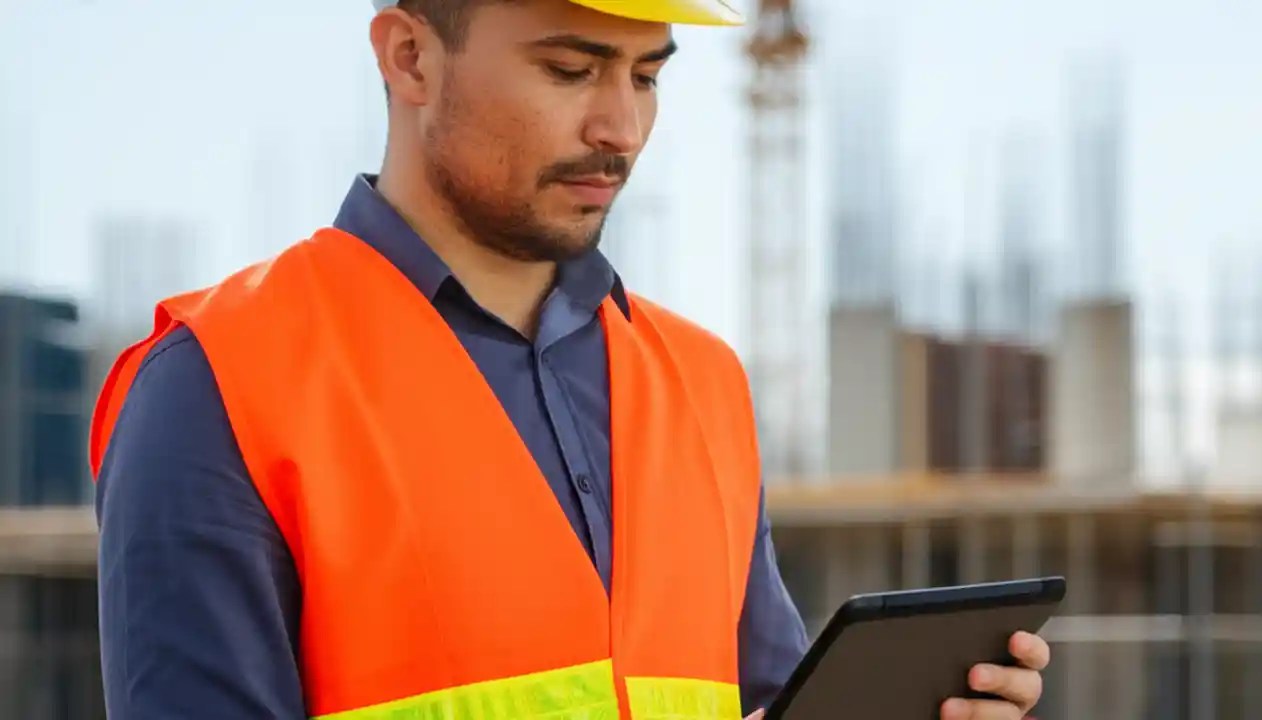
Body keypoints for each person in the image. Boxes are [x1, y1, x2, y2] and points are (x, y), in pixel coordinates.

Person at [91, 1, 1052, 718]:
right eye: (569, 69)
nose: (619, 130)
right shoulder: (217, 380)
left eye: (645, 76)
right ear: (410, 56)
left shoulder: (701, 380)